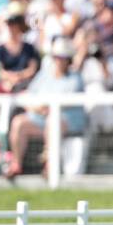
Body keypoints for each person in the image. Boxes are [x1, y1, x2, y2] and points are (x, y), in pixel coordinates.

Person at [7, 36, 86, 178]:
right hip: (40, 118)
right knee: (19, 123)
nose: (59, 60)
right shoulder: (44, 75)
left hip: (67, 123)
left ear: (69, 59)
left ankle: (50, 165)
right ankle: (16, 164)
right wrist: (36, 108)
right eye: (56, 56)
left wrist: (43, 108)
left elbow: (61, 103)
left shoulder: (75, 78)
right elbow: (29, 94)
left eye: (62, 57)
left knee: (52, 122)